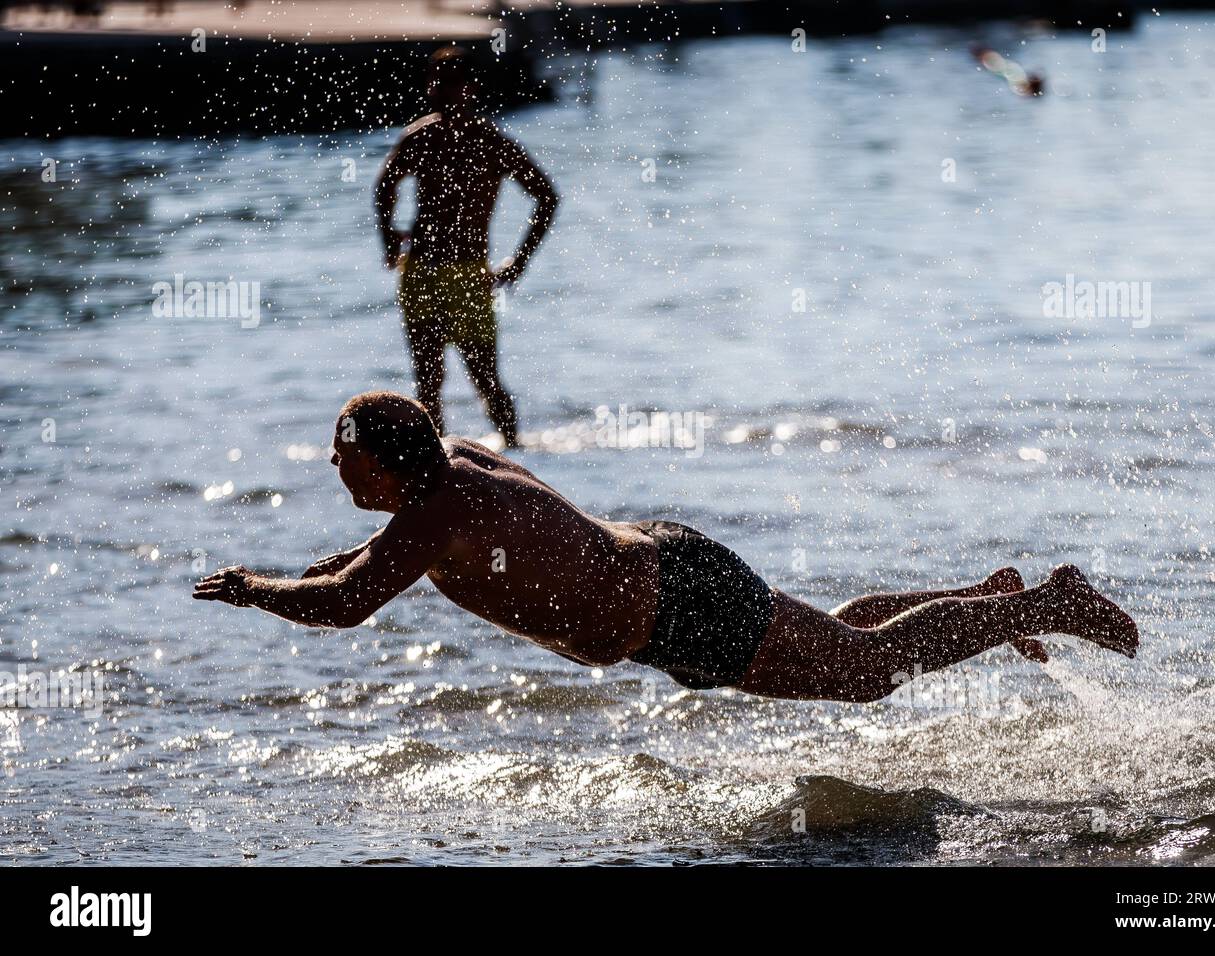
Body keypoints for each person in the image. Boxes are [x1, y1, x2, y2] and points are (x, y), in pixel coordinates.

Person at [193, 391, 1141, 702]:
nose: (332, 471)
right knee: (848, 651)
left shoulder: (435, 511)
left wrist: (253, 588)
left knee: (868, 668)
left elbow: (349, 601)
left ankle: (1045, 602)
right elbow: (363, 570)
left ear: (384, 470)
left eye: (338, 460)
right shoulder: (439, 480)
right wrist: (316, 570)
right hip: (662, 618)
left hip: (676, 594)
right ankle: (986, 594)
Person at [374, 46, 559, 447]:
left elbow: (546, 196)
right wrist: (388, 236)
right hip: (420, 271)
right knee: (427, 382)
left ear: (470, 89)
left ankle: (518, 456)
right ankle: (432, 477)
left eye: (451, 85)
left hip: (468, 275)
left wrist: (518, 262)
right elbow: (384, 185)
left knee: (486, 379)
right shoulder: (420, 137)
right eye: (436, 84)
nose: (442, 93)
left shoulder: (491, 142)